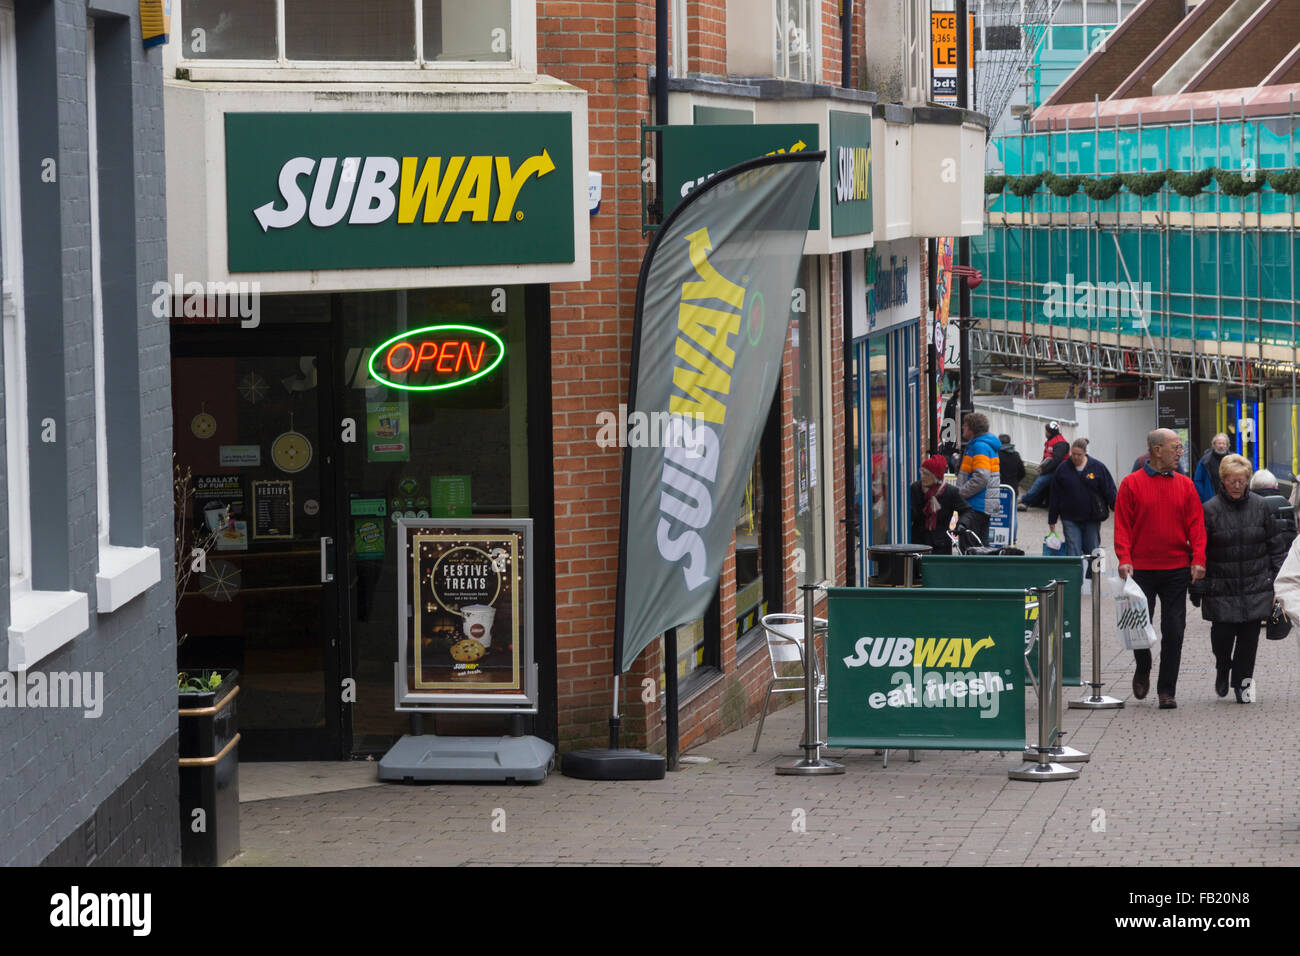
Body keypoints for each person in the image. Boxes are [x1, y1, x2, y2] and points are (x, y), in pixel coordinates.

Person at [1114, 428, 1206, 709]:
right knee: (1140, 628)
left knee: (1175, 630)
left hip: (1176, 569)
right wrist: (1123, 558)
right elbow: (1122, 526)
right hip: (1140, 570)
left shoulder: (1185, 484)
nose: (1180, 452)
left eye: (1180, 448)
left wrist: (1199, 559)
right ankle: (1143, 666)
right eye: (1175, 447)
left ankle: (1167, 689)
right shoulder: (1131, 484)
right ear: (1156, 450)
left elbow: (1196, 525)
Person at [1191, 455, 1288, 703]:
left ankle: (1243, 685)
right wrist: (1197, 587)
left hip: (1255, 585)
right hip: (1221, 586)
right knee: (1221, 638)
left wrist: (1281, 581)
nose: (1237, 485)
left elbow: (1275, 546)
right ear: (1223, 480)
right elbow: (1200, 552)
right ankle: (1223, 667)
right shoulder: (1210, 510)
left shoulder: (1261, 507)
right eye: (1232, 481)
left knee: (1249, 642)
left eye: (1242, 481)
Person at [1046, 438, 1117, 565]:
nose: (1075, 457)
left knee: (1093, 550)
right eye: (1073, 454)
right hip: (1070, 518)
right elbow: (1054, 495)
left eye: (1079, 455)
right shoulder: (1063, 469)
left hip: (1092, 517)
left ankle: (1094, 581)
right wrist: (1052, 519)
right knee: (1073, 551)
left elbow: (1109, 489)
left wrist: (1116, 507)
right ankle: (1075, 582)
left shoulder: (1097, 467)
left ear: (1085, 453)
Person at [955, 412, 1000, 546]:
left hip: (975, 505)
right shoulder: (982, 445)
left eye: (965, 425)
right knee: (981, 548)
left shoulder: (979, 446)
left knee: (970, 549)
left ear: (971, 428)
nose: (962, 427)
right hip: (981, 505)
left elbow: (981, 477)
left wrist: (960, 493)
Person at [910, 455, 969, 555]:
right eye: (922, 472)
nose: (923, 477)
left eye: (927, 474)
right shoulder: (915, 488)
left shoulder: (950, 492)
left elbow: (966, 511)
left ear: (936, 477)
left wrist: (961, 524)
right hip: (917, 543)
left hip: (940, 544)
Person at [1016, 421, 1068, 510]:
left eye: (1046, 431)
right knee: (1039, 486)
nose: (1045, 433)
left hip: (1056, 471)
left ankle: (1022, 500)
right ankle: (1028, 503)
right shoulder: (1053, 440)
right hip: (1050, 469)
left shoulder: (1060, 443)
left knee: (1038, 484)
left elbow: (1056, 461)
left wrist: (1044, 470)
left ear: (1049, 432)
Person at [1250, 468, 1298, 552]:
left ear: (1252, 486)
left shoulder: (1249, 504)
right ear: (1275, 485)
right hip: (1286, 550)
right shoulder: (1285, 504)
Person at [1193, 433, 1230, 502]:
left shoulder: (1232, 460)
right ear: (1214, 445)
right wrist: (1203, 497)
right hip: (1210, 501)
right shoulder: (1204, 461)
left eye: (1223, 444)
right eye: (1219, 443)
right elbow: (1198, 481)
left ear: (1227, 446)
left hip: (1229, 500)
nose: (1221, 446)